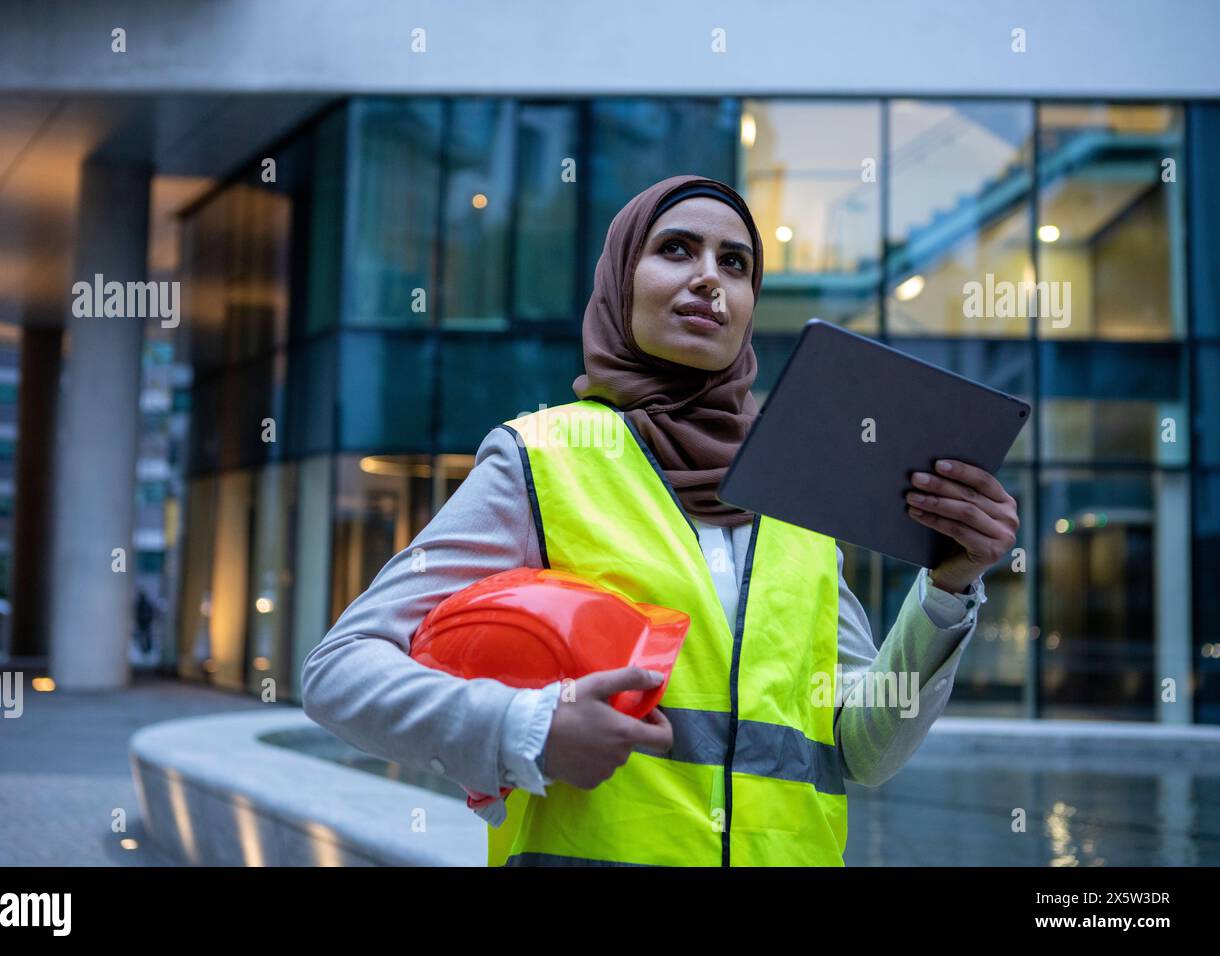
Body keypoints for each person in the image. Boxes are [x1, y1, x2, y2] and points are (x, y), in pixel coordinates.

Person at [301, 174, 1019, 866]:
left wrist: (948, 592)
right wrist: (533, 730)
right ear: (619, 282)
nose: (709, 277)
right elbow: (340, 672)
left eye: (734, 264)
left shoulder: (795, 491)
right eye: (676, 249)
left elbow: (863, 751)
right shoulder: (540, 457)